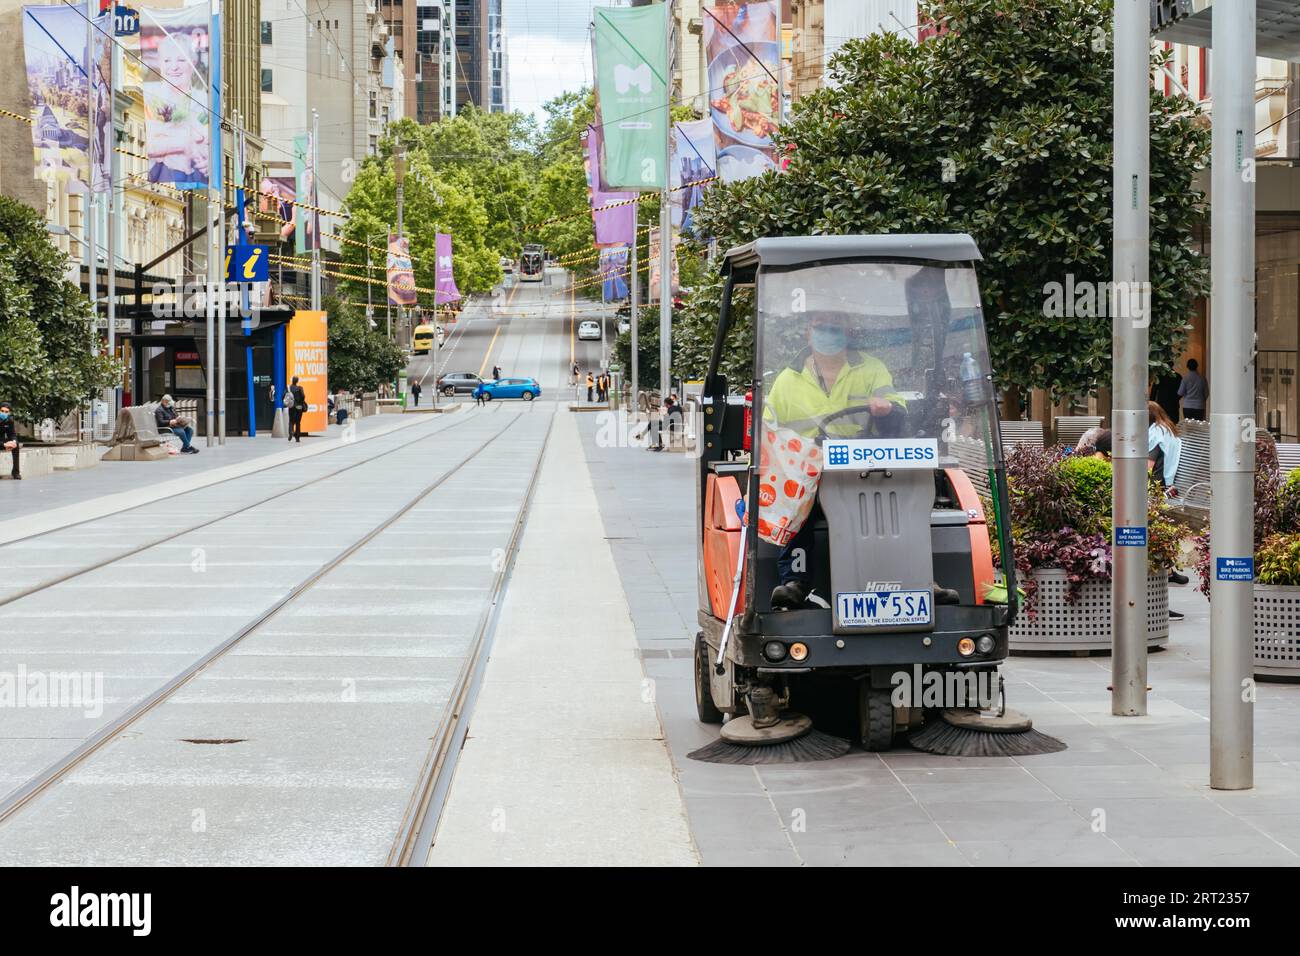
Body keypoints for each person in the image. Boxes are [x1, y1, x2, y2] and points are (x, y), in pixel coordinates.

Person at [764, 310, 908, 609]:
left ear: (848, 333)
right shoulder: (788, 380)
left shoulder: (871, 370)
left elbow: (897, 409)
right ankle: (795, 580)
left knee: (900, 499)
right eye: (821, 328)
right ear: (809, 332)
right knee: (796, 498)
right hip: (808, 469)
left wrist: (886, 409)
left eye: (835, 328)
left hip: (862, 465)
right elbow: (770, 433)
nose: (828, 334)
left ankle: (912, 576)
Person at [1, 403, 20, 479]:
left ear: (9, 413)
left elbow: (12, 434)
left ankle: (16, 472)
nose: (4, 413)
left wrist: (14, 442)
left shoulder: (10, 420)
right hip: (1, 443)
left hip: (2, 441)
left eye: (6, 412)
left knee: (16, 445)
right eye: (2, 411)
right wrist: (4, 445)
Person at [285, 376, 306, 442]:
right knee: (298, 422)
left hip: (291, 406)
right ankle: (297, 437)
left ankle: (291, 431)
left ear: (292, 381)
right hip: (299, 407)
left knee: (291, 420)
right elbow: (303, 396)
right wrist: (300, 402)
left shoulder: (288, 388)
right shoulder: (300, 388)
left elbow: (283, 396)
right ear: (297, 381)